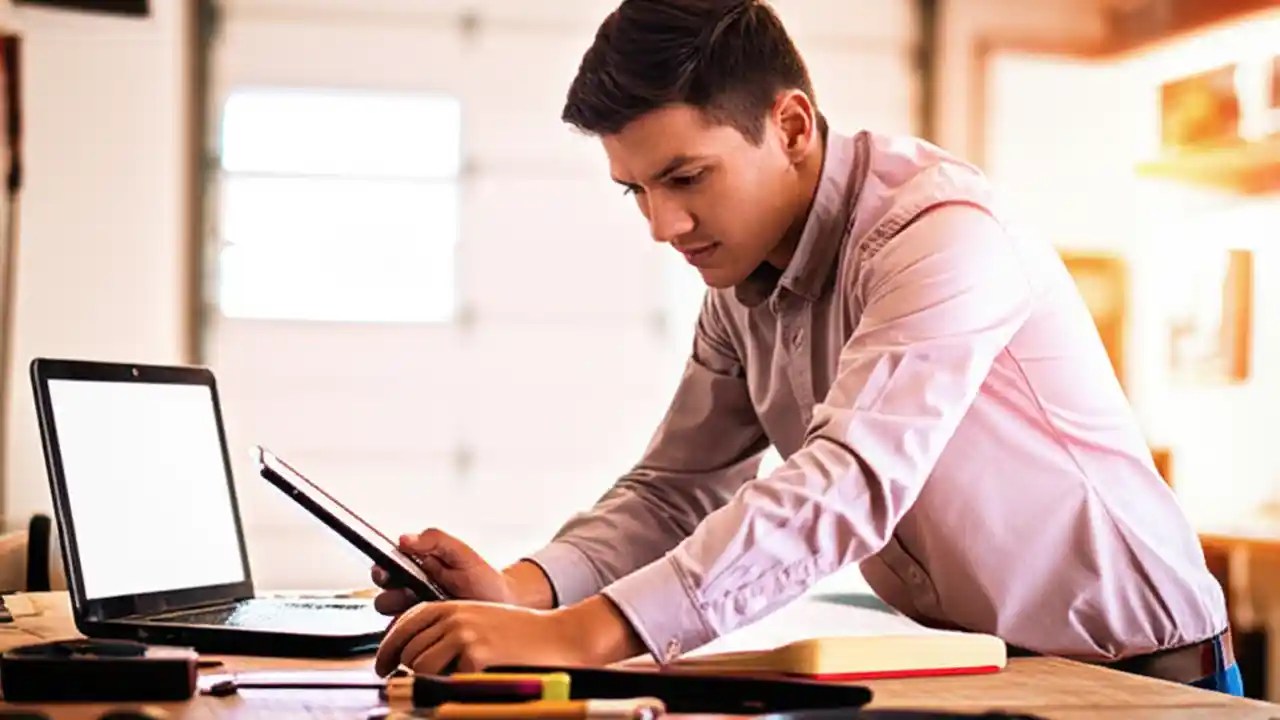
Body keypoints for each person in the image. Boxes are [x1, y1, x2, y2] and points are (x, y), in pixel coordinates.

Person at [371, 0, 1240, 695]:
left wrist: (581, 634)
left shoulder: (941, 232)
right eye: (635, 190)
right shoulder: (739, 280)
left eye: (684, 178)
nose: (662, 226)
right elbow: (675, 488)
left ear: (789, 127)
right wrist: (523, 591)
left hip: (1149, 678)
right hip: (999, 672)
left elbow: (853, 478)